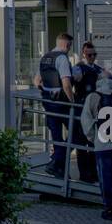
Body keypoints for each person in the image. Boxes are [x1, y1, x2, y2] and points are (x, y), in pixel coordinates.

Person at [82, 70, 112, 221]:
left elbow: (86, 122)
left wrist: (93, 139)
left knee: (106, 179)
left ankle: (110, 210)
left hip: (103, 146)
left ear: (98, 81)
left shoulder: (92, 97)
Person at [32, 33, 75, 177]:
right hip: (62, 102)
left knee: (57, 136)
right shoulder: (62, 58)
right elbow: (66, 84)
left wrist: (45, 91)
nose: (69, 49)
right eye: (70, 46)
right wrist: (72, 101)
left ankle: (58, 168)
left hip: (48, 102)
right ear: (67, 45)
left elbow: (36, 81)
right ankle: (56, 163)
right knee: (76, 132)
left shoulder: (45, 57)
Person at [68, 41, 104, 183]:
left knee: (95, 143)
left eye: (94, 54)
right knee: (82, 144)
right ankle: (84, 174)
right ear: (83, 54)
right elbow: (69, 85)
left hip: (95, 111)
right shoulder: (78, 69)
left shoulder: (98, 69)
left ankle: (93, 172)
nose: (92, 57)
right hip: (82, 110)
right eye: (89, 54)